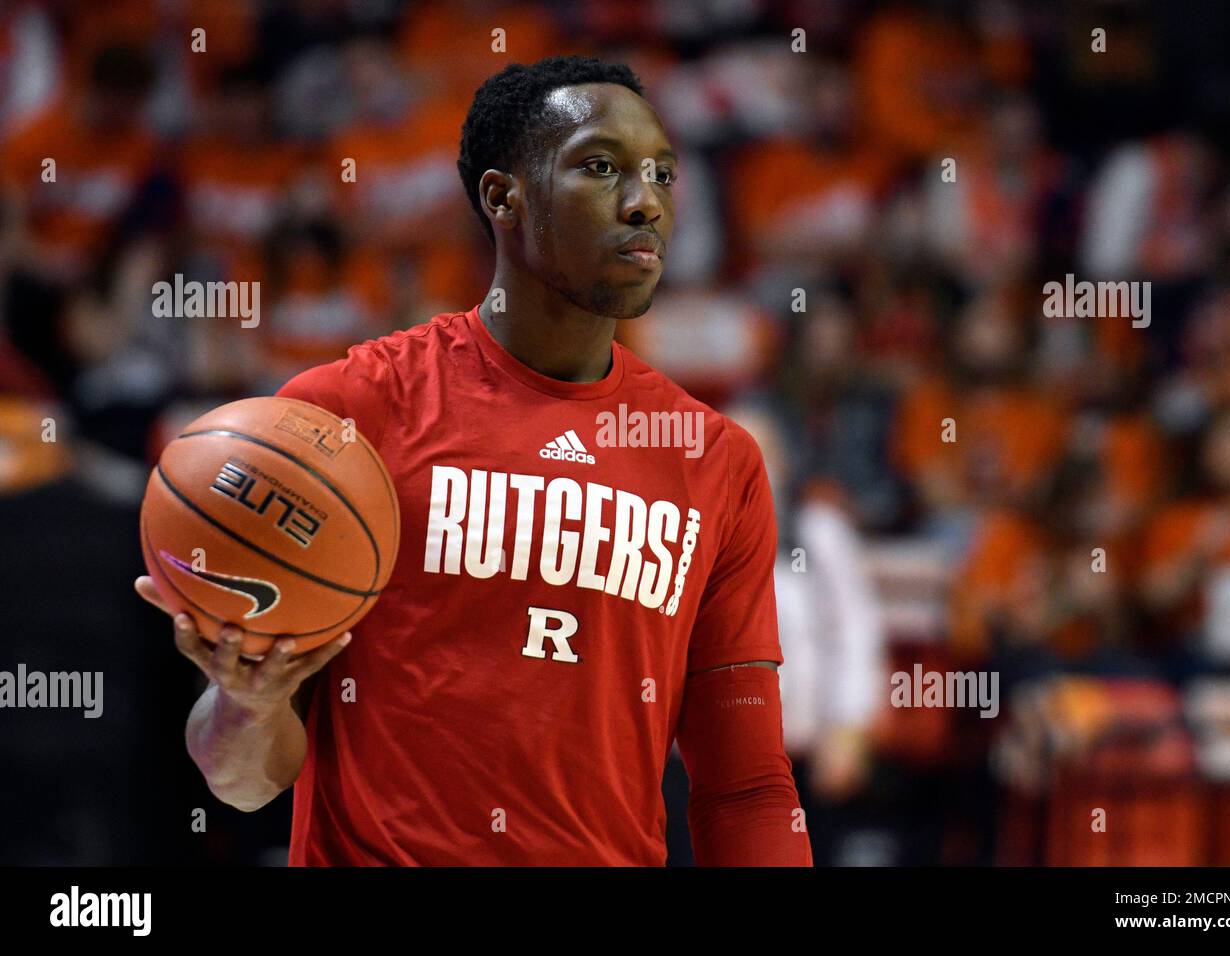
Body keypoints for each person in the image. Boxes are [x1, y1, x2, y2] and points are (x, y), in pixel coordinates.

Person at [135, 55, 812, 866]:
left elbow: (746, 787)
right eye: (601, 167)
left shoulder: (715, 459)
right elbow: (243, 780)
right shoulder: (346, 415)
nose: (646, 202)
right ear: (503, 197)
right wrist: (247, 705)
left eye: (661, 173)